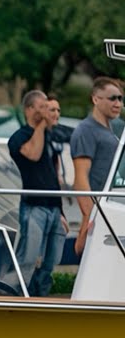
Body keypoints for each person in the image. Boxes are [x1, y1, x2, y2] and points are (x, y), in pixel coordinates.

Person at [7, 90, 65, 297]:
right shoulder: (19, 137)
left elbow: (53, 176)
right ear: (29, 109)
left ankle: (40, 297)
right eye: (43, 107)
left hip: (53, 207)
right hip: (33, 207)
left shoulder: (50, 136)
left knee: (52, 260)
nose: (48, 111)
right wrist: (41, 125)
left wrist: (61, 212)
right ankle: (14, 295)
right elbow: (33, 154)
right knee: (28, 258)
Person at [71, 76, 122, 255]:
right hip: (100, 209)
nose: (118, 103)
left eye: (120, 99)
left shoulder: (113, 130)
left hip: (114, 205)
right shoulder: (86, 130)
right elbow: (80, 179)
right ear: (95, 99)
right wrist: (90, 215)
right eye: (112, 98)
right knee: (87, 254)